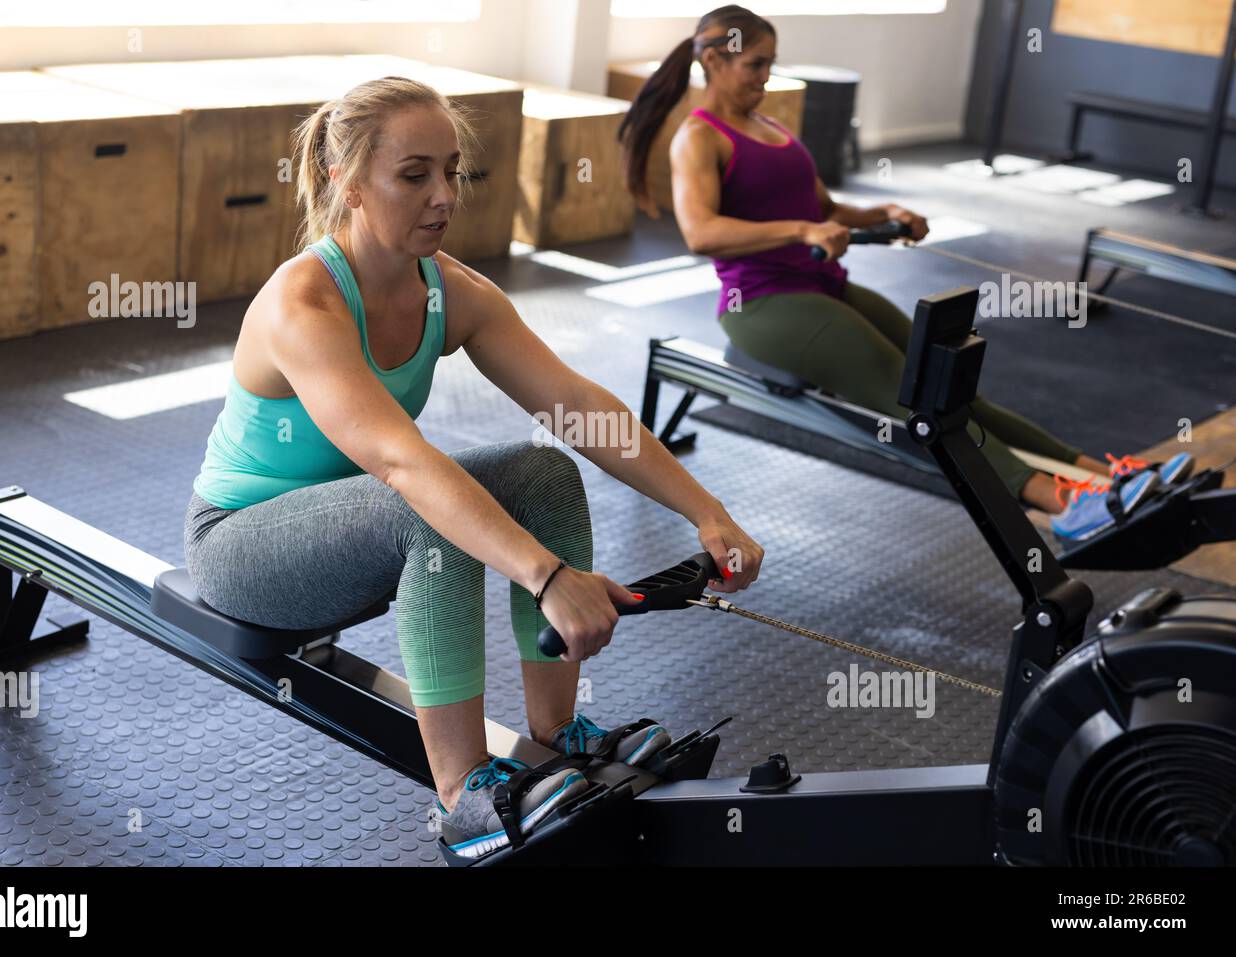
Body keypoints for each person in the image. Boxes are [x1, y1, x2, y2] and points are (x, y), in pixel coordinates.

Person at [181, 76, 764, 859]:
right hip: (244, 547)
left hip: (363, 523)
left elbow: (572, 400)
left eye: (451, 171)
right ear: (346, 183)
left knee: (542, 471)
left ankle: (559, 732)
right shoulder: (303, 302)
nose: (443, 195)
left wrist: (707, 511)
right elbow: (401, 463)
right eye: (413, 174)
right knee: (427, 505)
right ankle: (464, 797)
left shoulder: (451, 291)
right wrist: (550, 577)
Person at [617, 4, 1191, 543]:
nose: (767, 75)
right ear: (714, 60)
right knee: (912, 396)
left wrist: (886, 216)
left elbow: (826, 210)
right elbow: (702, 232)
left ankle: (1109, 476)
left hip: (825, 287)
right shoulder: (700, 137)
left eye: (770, 63)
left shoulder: (769, 125)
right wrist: (799, 232)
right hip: (764, 305)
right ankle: (1064, 507)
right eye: (756, 64)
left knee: (954, 386)